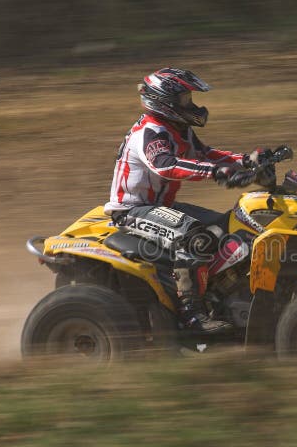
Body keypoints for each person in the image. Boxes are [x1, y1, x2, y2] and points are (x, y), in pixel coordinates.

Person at [104, 67, 260, 334]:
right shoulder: (151, 132)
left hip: (160, 207)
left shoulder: (177, 128)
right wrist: (215, 172)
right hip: (133, 210)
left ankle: (221, 293)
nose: (192, 104)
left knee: (231, 223)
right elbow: (165, 166)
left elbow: (206, 154)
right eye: (185, 100)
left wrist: (248, 160)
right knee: (194, 236)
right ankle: (193, 315)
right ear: (164, 101)